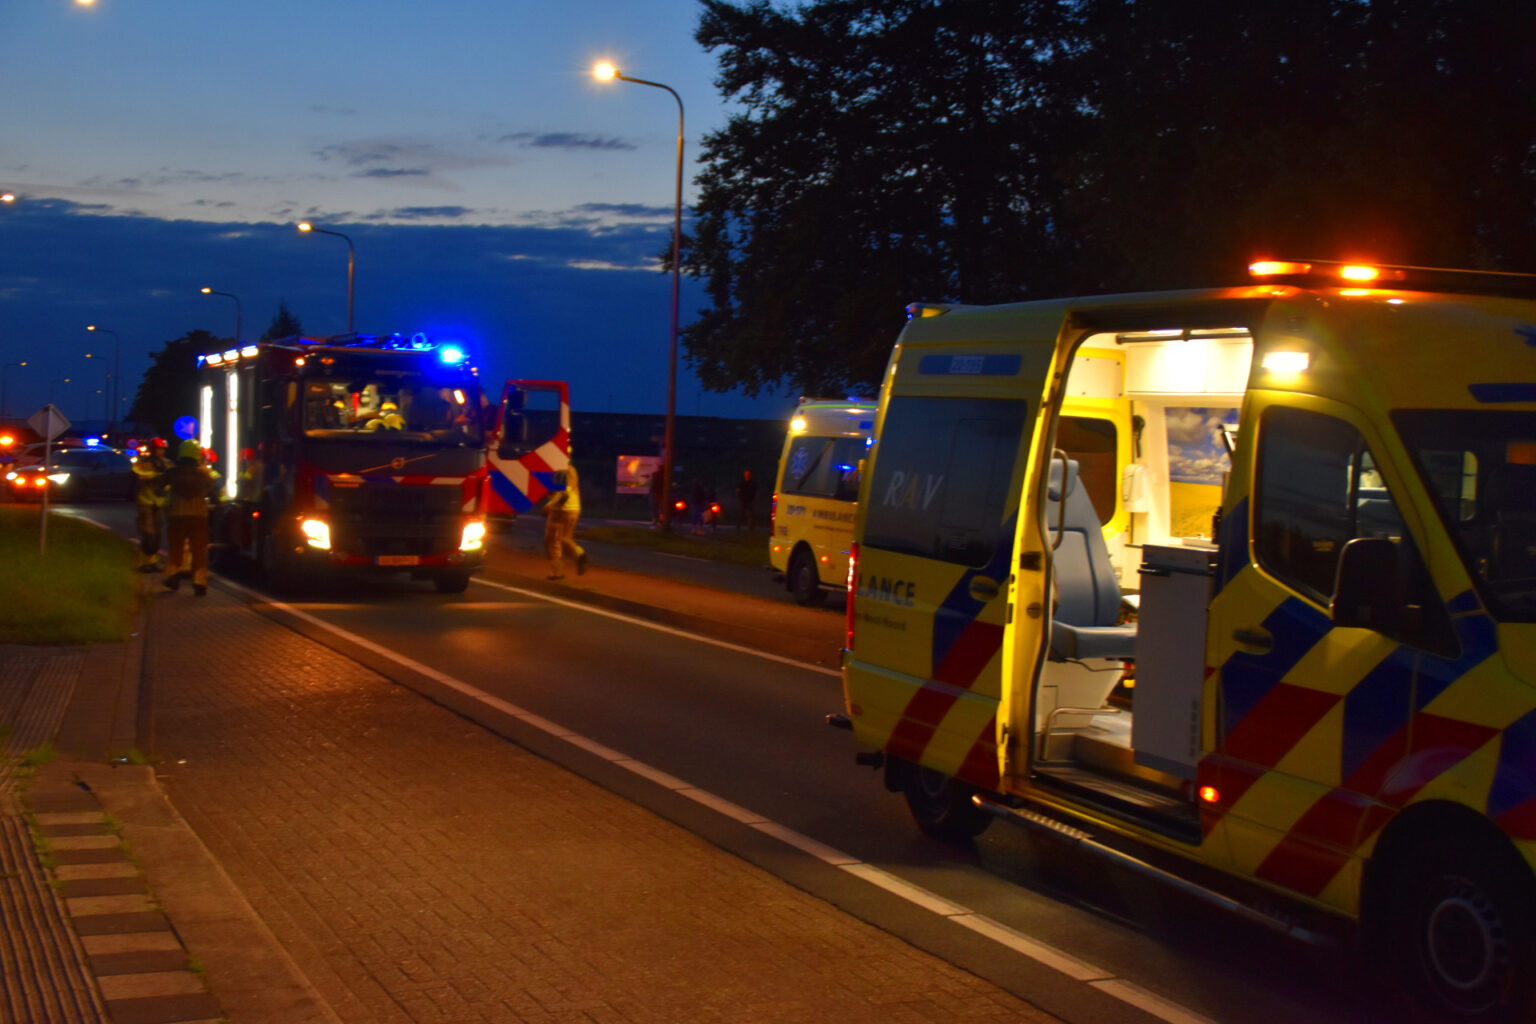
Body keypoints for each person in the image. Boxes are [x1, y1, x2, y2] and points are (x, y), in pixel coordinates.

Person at [160, 439, 220, 597]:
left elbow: (159, 485)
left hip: (177, 515)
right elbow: (214, 492)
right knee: (198, 550)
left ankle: (173, 575)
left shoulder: (172, 472)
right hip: (199, 516)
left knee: (176, 548)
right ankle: (199, 581)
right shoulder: (205, 474)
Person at [131, 438, 171, 572]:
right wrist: (153, 475)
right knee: (148, 534)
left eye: (161, 449)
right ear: (152, 449)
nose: (159, 451)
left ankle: (153, 562)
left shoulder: (167, 464)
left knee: (157, 534)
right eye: (157, 449)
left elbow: (172, 477)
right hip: (146, 502)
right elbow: (136, 472)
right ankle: (143, 563)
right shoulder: (143, 463)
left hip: (160, 504)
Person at [541, 461, 587, 580]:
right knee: (566, 538)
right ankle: (579, 553)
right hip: (574, 508)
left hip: (559, 509)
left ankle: (557, 572)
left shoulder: (557, 469)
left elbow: (563, 494)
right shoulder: (572, 469)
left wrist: (548, 506)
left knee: (551, 542)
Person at [736, 469, 758, 533]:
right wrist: (740, 498)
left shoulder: (753, 483)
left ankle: (751, 528)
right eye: (746, 474)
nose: (747, 475)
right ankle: (738, 527)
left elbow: (755, 491)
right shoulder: (741, 483)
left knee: (751, 515)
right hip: (743, 500)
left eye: (748, 474)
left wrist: (753, 499)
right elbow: (738, 491)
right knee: (741, 514)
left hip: (750, 501)